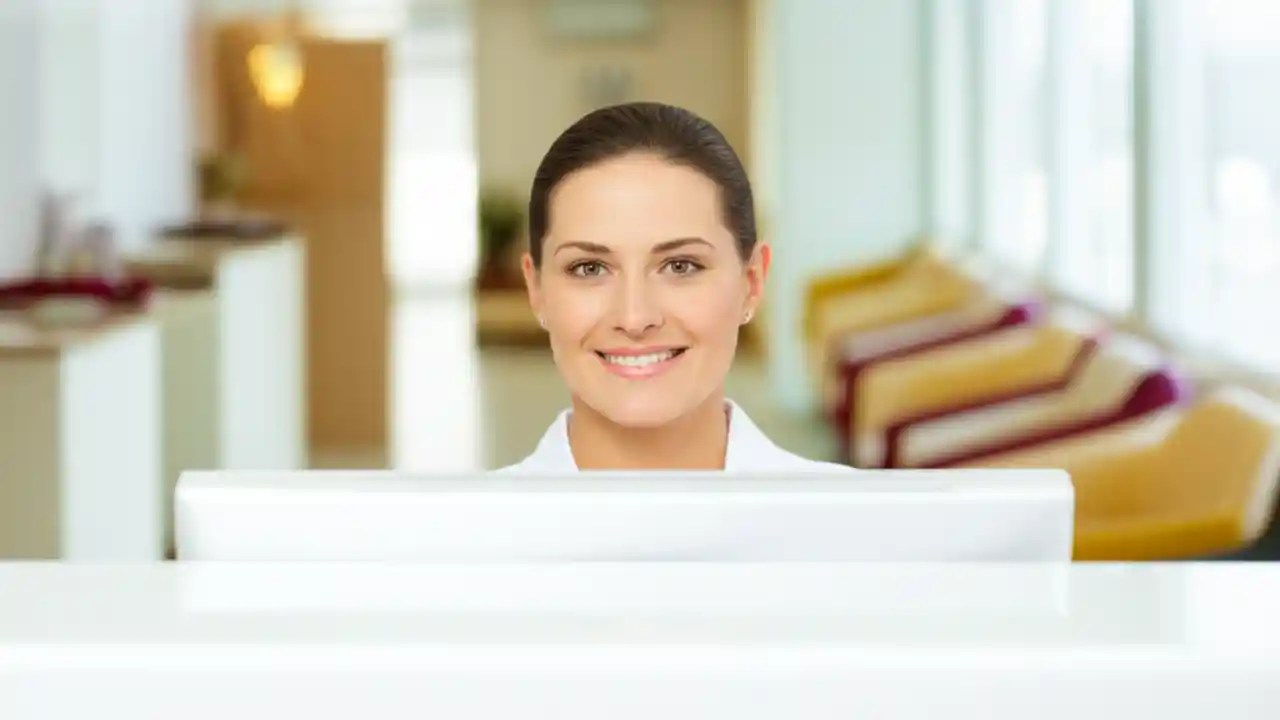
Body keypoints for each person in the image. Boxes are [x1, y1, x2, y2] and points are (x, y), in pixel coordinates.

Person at [499, 102, 849, 473]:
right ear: (536, 289)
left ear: (751, 282)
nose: (635, 318)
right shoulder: (469, 513)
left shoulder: (859, 510)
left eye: (681, 266)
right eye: (589, 268)